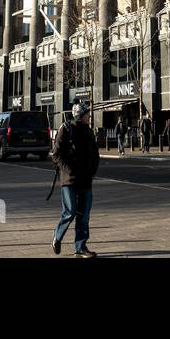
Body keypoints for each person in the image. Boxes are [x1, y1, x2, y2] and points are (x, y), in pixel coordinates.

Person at [51, 102, 99, 257]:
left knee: (84, 215)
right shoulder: (66, 129)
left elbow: (95, 153)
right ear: (80, 115)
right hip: (69, 180)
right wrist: (70, 170)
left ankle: (80, 247)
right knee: (70, 211)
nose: (89, 116)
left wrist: (92, 171)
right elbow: (56, 155)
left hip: (86, 180)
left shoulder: (89, 131)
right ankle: (57, 237)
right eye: (87, 114)